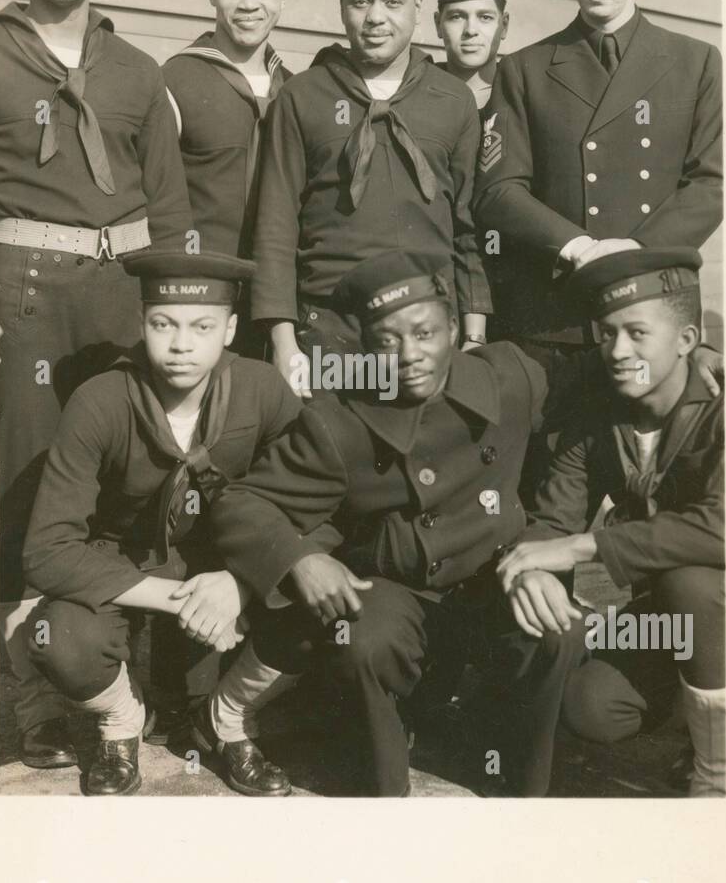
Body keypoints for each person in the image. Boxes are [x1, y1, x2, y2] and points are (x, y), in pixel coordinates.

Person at [207, 250, 587, 798]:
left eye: (426, 332)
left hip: (496, 584)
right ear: (366, 347)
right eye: (387, 341)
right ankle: (385, 791)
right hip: (404, 595)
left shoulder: (510, 377)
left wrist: (544, 545)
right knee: (359, 636)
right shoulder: (340, 424)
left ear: (454, 328)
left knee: (560, 628)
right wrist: (299, 558)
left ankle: (523, 786)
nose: (410, 355)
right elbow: (241, 502)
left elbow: (595, 390)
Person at [0, 0, 193, 771]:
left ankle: (124, 685)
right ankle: (39, 704)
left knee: (127, 480)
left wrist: (181, 321)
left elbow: (171, 212)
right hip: (28, 299)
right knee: (32, 486)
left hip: (126, 299)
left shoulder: (138, 71)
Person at [23, 251, 320, 797]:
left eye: (202, 327)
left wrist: (242, 584)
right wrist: (178, 597)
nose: (181, 344)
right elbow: (46, 549)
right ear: (142, 324)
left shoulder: (261, 389)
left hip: (229, 562)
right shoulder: (101, 400)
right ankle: (121, 723)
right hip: (127, 564)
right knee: (58, 639)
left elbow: (319, 507)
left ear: (230, 329)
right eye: (164, 324)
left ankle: (227, 720)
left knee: (326, 598)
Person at [497, 248, 725, 797]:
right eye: (607, 334)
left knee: (686, 580)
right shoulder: (601, 417)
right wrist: (532, 567)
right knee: (594, 707)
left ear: (687, 340)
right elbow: (554, 514)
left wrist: (581, 549)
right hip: (678, 618)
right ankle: (700, 712)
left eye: (637, 334)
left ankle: (719, 775)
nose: (618, 351)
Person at [473, 0, 722, 362]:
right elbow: (499, 189)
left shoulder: (696, 62)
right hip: (555, 316)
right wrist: (578, 246)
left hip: (654, 306)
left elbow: (713, 182)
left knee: (647, 438)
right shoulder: (525, 68)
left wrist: (637, 248)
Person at [250, 0, 492, 396]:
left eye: (392, 1)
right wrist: (284, 344)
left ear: (419, 7)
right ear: (342, 10)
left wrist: (474, 336)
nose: (376, 17)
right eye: (360, 2)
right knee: (336, 452)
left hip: (428, 329)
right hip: (331, 330)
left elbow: (467, 227)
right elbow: (275, 227)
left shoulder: (452, 100)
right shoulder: (302, 97)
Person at [163, 0, 300, 265]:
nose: (249, 4)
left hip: (282, 291)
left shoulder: (296, 88)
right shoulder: (173, 81)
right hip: (202, 286)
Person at [427, 0, 520, 115]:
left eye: (485, 17)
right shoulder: (421, 93)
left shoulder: (520, 95)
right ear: (438, 24)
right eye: (456, 17)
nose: (470, 30)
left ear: (504, 25)